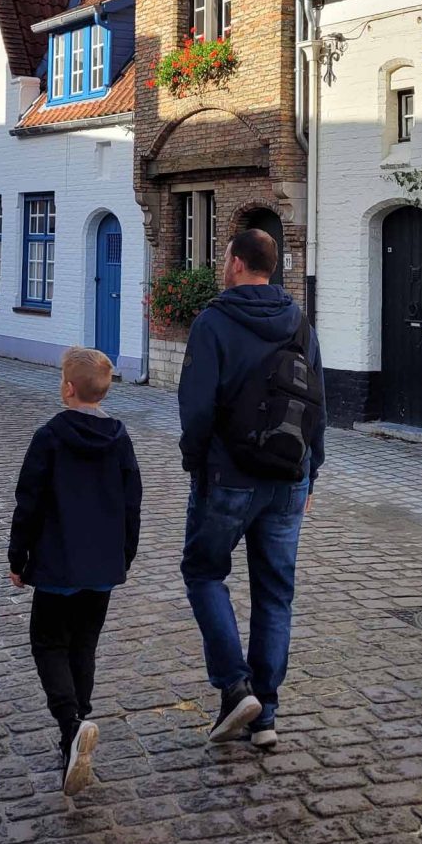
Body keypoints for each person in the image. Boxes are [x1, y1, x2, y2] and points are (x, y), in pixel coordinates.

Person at [179, 227, 325, 750]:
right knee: (274, 593)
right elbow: (318, 403)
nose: (223, 263)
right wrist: (313, 470)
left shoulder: (214, 322)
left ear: (237, 263)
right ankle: (266, 715)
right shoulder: (299, 322)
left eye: (225, 256)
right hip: (288, 477)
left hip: (229, 476)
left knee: (202, 572)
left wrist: (195, 463)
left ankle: (235, 686)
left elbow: (196, 408)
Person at [7, 346, 142, 796]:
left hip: (56, 563)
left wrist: (18, 557)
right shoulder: (119, 439)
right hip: (101, 565)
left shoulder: (49, 436)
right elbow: (132, 504)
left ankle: (71, 725)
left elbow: (29, 502)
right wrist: (125, 553)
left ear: (67, 388)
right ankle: (78, 727)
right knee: (84, 644)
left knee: (48, 642)